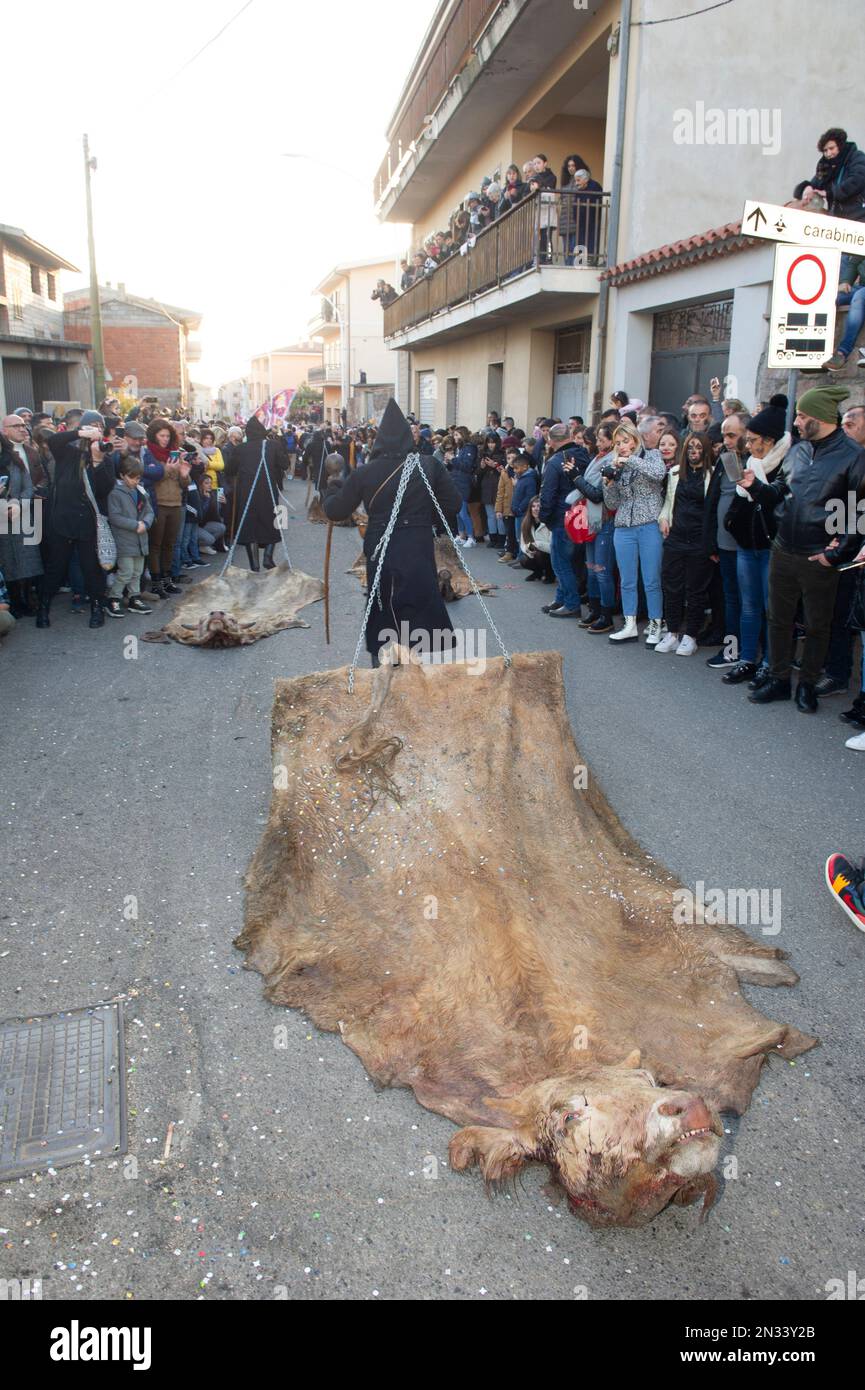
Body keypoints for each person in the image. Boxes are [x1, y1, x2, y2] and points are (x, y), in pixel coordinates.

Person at [747, 385, 865, 712]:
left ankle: (808, 685)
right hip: (783, 549)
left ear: (822, 417)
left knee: (817, 625)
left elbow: (858, 512)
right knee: (778, 619)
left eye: (801, 416)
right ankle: (779, 680)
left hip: (818, 557)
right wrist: (755, 487)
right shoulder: (797, 450)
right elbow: (780, 491)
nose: (796, 422)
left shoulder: (854, 456)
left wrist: (835, 553)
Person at [323, 398, 461, 665]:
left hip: (381, 547)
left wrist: (332, 487)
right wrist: (424, 520)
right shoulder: (429, 465)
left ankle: (385, 667)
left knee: (383, 604)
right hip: (418, 546)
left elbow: (336, 510)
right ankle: (410, 667)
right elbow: (453, 505)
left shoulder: (365, 472)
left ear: (380, 439)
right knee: (415, 603)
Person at [720, 399, 790, 685]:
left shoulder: (787, 465)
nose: (747, 446)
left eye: (753, 440)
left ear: (769, 440)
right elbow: (739, 505)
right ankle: (746, 660)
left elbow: (776, 501)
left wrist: (756, 487)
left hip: (773, 549)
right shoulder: (750, 462)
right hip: (747, 547)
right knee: (749, 607)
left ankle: (770, 665)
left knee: (773, 611)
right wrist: (731, 522)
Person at [40, 412, 116, 629]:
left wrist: (98, 461)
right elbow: (53, 440)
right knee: (56, 568)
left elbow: (104, 489)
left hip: (88, 523)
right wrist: (81, 433)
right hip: (62, 520)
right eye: (92, 425)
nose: (97, 429)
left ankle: (97, 608)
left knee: (92, 570)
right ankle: (43, 607)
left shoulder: (105, 458)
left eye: (100, 426)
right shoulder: (68, 452)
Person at [603, 421, 666, 643]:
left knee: (651, 579)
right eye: (617, 443)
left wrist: (630, 460)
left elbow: (659, 474)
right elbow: (612, 504)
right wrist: (608, 483)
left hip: (649, 524)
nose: (621, 446)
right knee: (627, 580)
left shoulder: (651, 455)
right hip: (623, 527)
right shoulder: (615, 464)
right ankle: (629, 625)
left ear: (636, 440)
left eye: (625, 441)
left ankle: (656, 624)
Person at [656, 433, 716, 656]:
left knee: (695, 590)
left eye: (698, 447)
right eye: (690, 447)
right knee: (671, 587)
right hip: (676, 538)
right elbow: (668, 503)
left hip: (700, 540)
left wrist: (712, 544)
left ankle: (691, 636)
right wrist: (663, 518)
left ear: (705, 450)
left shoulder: (712, 475)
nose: (694, 451)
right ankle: (672, 633)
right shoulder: (674, 473)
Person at [702, 411, 747, 670]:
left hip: (749, 546)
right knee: (731, 599)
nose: (726, 440)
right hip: (725, 545)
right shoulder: (727, 458)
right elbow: (714, 498)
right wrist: (711, 541)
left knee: (750, 603)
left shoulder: (757, 461)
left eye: (732, 435)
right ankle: (732, 650)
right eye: (724, 435)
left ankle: (752, 654)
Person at [566, 424, 615, 633]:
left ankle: (606, 615)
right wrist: (576, 476)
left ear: (612, 440)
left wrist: (576, 477)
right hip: (591, 520)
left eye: (602, 440)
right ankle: (595, 610)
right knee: (592, 569)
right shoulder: (598, 458)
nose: (598, 443)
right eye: (597, 439)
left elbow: (596, 494)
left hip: (604, 520)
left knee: (602, 571)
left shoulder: (612, 461)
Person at [223, 415, 287, 571]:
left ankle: (255, 565)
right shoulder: (273, 445)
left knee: (249, 525)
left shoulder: (241, 449)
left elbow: (229, 470)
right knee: (272, 521)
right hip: (267, 491)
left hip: (247, 492)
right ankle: (268, 557)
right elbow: (285, 464)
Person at [538, 423, 588, 618]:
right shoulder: (584, 455)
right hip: (581, 516)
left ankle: (571, 604)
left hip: (562, 518)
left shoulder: (555, 461)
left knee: (561, 564)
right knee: (570, 563)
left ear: (551, 441)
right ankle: (561, 598)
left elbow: (547, 493)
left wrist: (544, 517)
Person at [0, 413, 46, 617]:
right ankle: (14, 602)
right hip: (2, 518)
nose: (22, 428)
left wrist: (18, 504)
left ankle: (29, 599)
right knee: (7, 560)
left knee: (28, 559)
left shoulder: (17, 459)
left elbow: (28, 487)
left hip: (23, 513)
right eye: (16, 425)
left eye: (23, 425)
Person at [142, 419, 188, 596]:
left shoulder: (174, 453)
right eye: (162, 435)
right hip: (158, 503)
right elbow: (149, 478)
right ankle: (156, 582)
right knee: (156, 544)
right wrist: (167, 469)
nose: (165, 439)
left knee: (170, 544)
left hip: (176, 502)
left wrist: (184, 475)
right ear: (154, 436)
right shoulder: (148, 454)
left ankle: (167, 580)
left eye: (168, 436)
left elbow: (184, 484)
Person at [105, 456, 154, 617]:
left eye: (138, 478)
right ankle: (114, 598)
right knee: (126, 571)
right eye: (131, 477)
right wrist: (135, 525)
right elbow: (115, 517)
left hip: (141, 540)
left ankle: (134, 597)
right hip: (124, 540)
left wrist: (145, 523)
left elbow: (149, 511)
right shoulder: (115, 493)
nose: (135, 481)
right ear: (122, 475)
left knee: (137, 572)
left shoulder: (141, 492)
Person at [795, 128, 865, 222]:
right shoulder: (826, 165)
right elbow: (816, 182)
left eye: (831, 148)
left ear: (840, 146)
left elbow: (856, 181)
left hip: (860, 217)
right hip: (838, 219)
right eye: (825, 150)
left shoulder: (857, 157)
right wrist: (807, 188)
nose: (828, 154)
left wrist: (829, 193)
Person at [824, 250, 865, 372]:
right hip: (861, 287)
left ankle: (842, 353)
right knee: (827, 298)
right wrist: (845, 281)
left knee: (858, 298)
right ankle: (816, 349)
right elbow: (854, 262)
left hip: (861, 293)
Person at [448, 427, 478, 545]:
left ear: (463, 435)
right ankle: (461, 536)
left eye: (457, 435)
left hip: (464, 483)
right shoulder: (459, 448)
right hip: (455, 481)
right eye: (454, 435)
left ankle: (471, 537)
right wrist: (449, 462)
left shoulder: (470, 448)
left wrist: (453, 459)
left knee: (462, 512)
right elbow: (456, 466)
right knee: (457, 512)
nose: (454, 437)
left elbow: (466, 466)